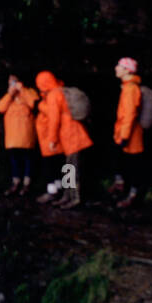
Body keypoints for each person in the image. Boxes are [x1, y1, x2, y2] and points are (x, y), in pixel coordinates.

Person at [33, 70, 92, 209]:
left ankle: (74, 199)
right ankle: (67, 196)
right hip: (70, 136)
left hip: (72, 136)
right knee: (69, 168)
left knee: (71, 169)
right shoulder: (59, 91)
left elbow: (54, 119)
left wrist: (52, 139)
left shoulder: (54, 95)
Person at [111, 56, 145, 209]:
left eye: (119, 66)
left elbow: (129, 114)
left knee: (133, 166)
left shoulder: (131, 89)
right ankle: (126, 192)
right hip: (125, 133)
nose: (116, 68)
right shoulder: (127, 87)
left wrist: (124, 136)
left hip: (131, 135)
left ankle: (132, 196)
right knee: (126, 164)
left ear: (127, 70)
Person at [0, 74, 38, 195]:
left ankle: (27, 183)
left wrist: (22, 90)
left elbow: (33, 103)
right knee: (14, 159)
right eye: (10, 82)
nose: (12, 84)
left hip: (26, 134)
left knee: (28, 159)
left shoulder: (29, 92)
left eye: (14, 81)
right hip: (12, 136)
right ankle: (16, 182)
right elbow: (0, 108)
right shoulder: (9, 95)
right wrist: (10, 94)